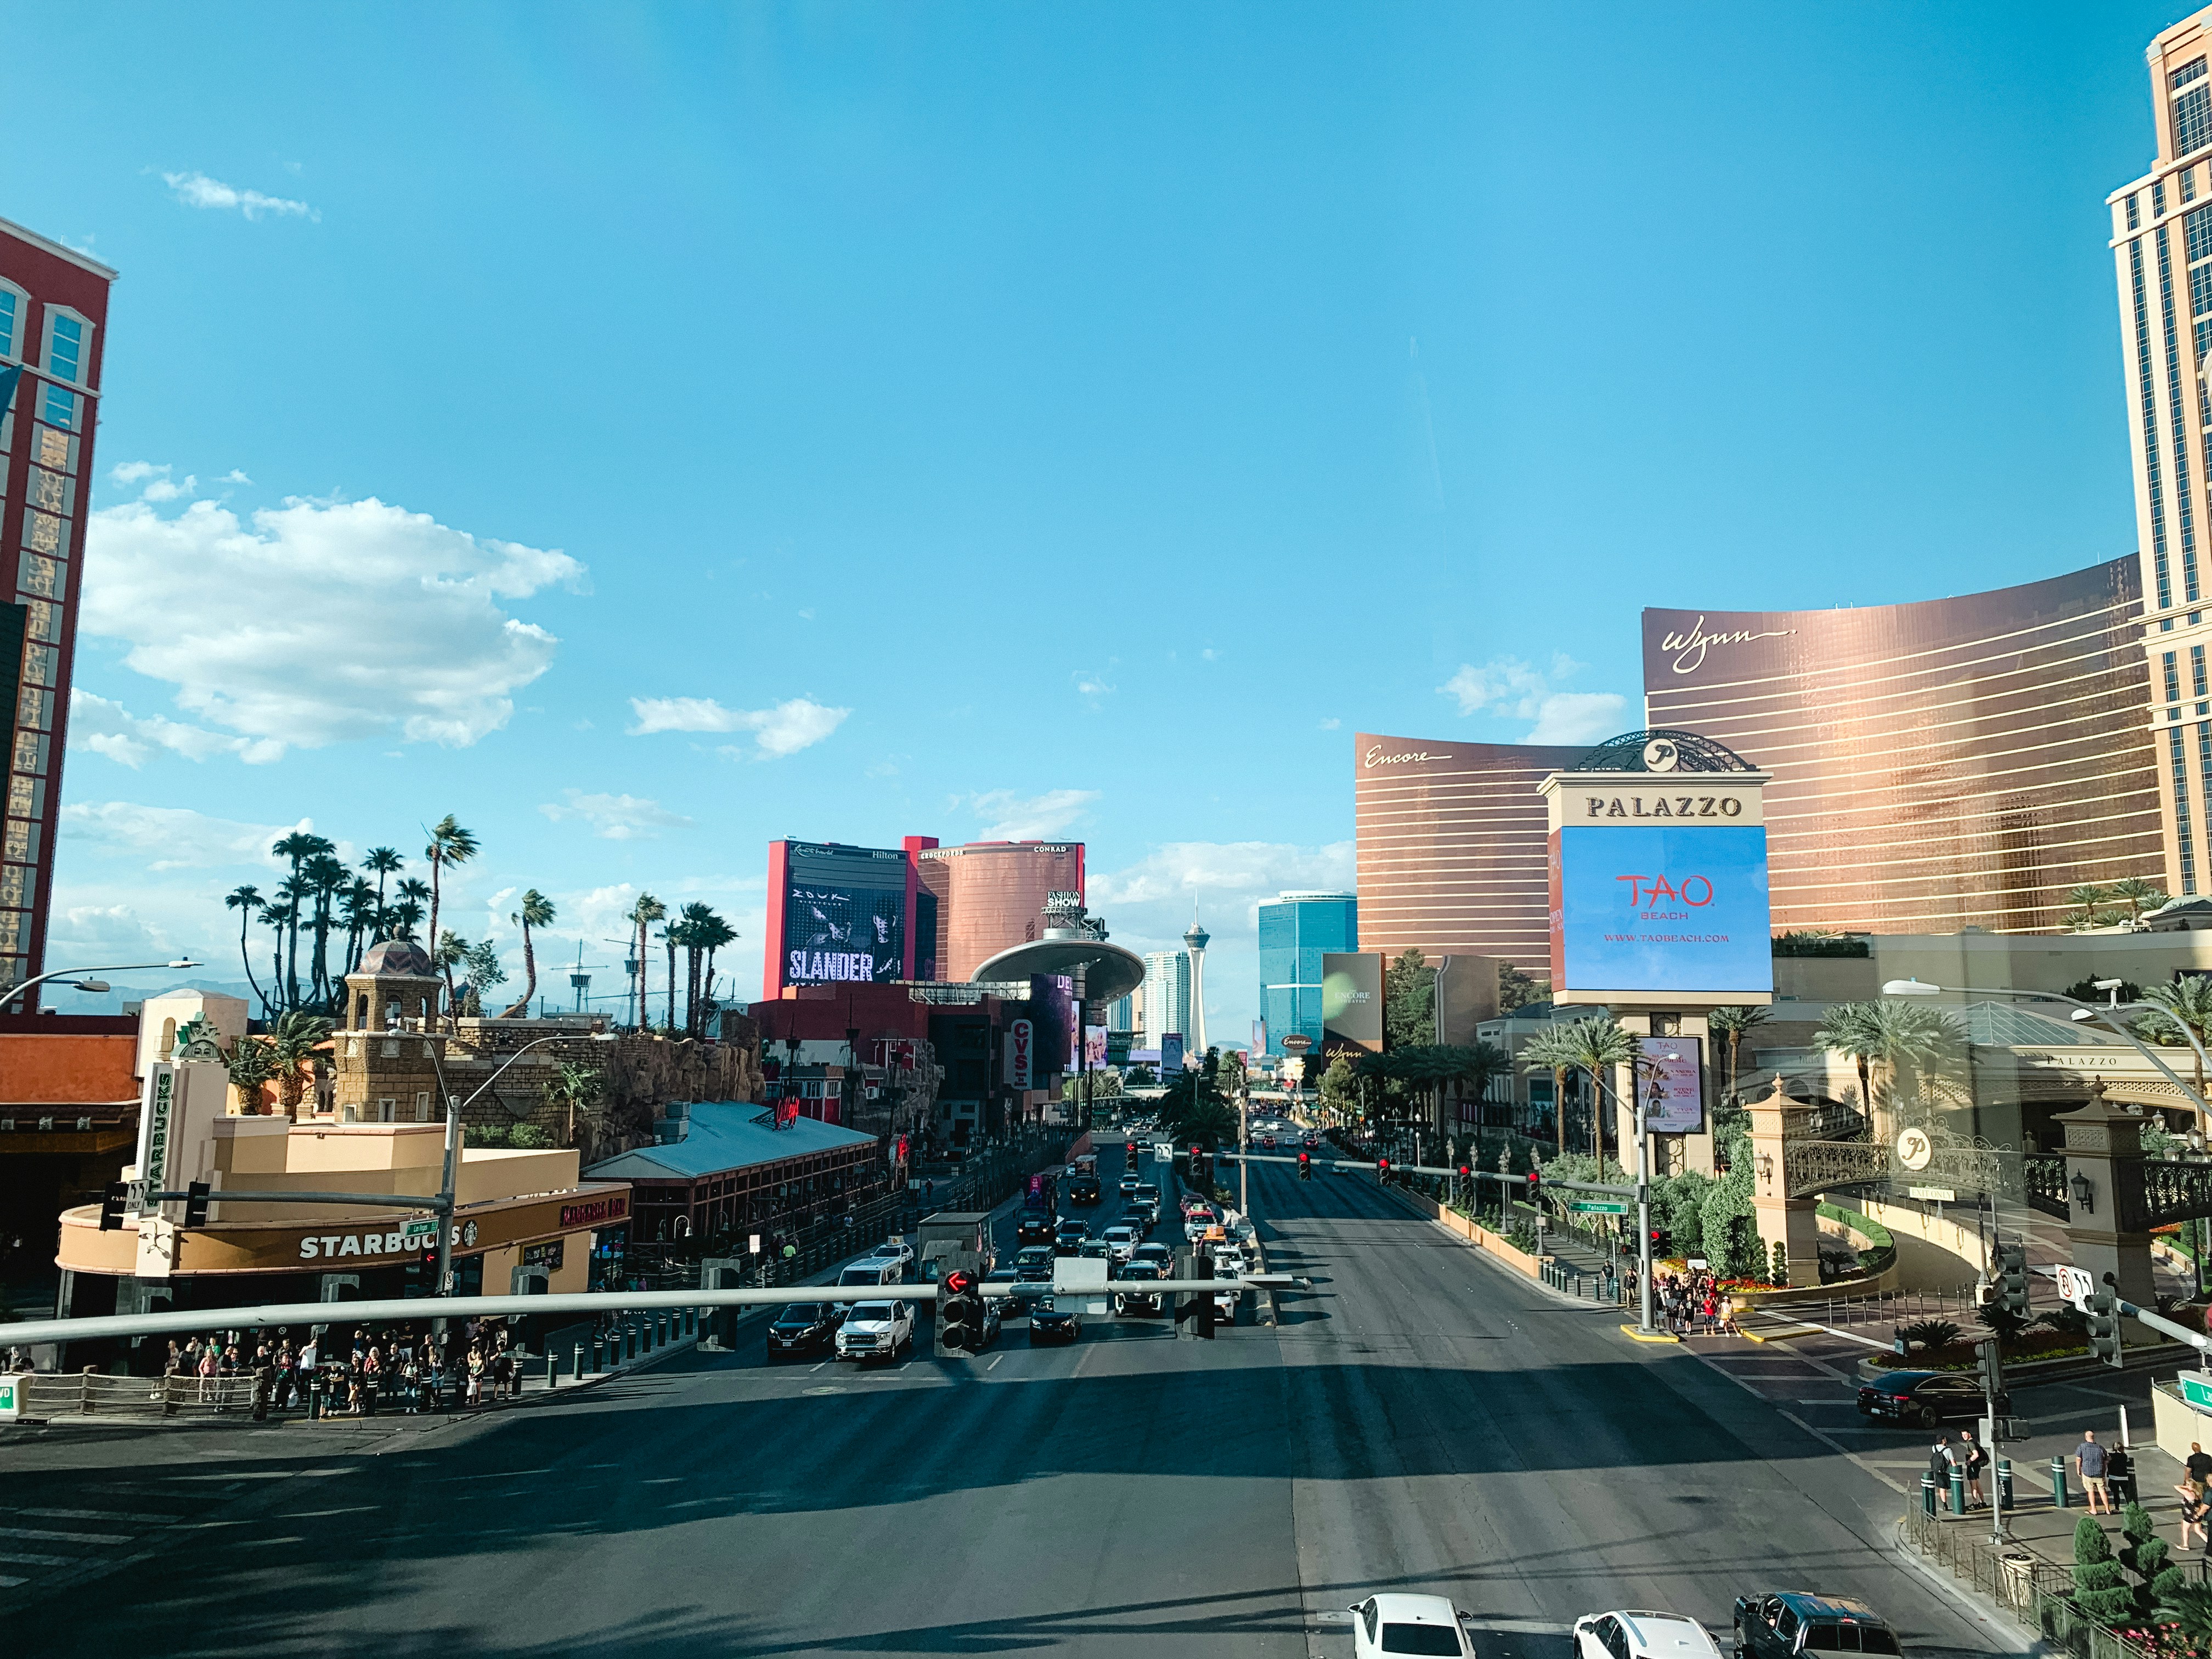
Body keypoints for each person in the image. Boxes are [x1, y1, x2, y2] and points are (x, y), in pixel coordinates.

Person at [2076, 1429, 2113, 1515]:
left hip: (2087, 1472)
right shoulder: (2100, 1448)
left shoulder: (2082, 1447)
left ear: (2086, 1437)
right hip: (2099, 1473)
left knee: (2090, 1491)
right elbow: (2108, 1458)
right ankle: (2108, 1509)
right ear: (2093, 1437)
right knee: (2103, 1491)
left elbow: (2079, 1459)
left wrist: (2078, 1470)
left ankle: (2094, 1509)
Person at [1958, 1427, 1989, 1509]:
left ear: (1969, 1434)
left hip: (1973, 1466)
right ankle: (1983, 1502)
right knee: (1977, 1484)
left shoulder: (1971, 1444)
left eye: (1965, 1435)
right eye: (1962, 1435)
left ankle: (1975, 1504)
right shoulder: (1974, 1442)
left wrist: (1969, 1461)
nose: (1964, 1436)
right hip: (1976, 1466)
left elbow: (1976, 1455)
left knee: (1973, 1485)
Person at [2181, 1477, 2209, 1553]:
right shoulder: (2198, 1493)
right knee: (2199, 1531)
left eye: (2187, 1484)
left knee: (2185, 1529)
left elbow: (2176, 1487)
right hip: (2197, 1515)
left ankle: (2185, 1545)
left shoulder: (2189, 1494)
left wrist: (2186, 1487)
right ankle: (2210, 1544)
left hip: (2190, 1515)